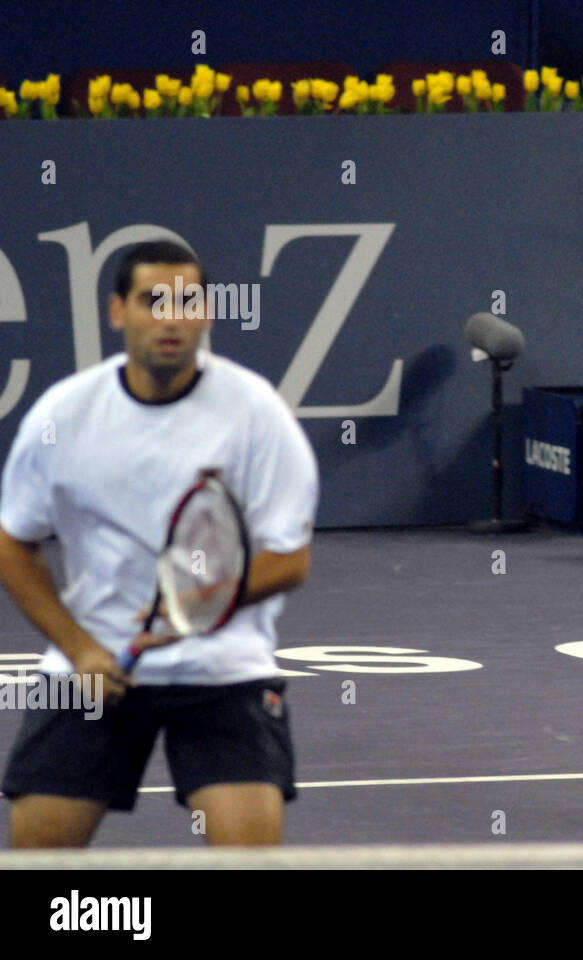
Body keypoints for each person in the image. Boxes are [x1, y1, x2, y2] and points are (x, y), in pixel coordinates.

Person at [0, 241, 319, 846]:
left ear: (206, 313)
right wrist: (81, 649)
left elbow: (289, 559)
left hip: (224, 673)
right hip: (93, 669)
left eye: (187, 301)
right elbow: (12, 542)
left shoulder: (256, 413)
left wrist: (195, 606)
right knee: (36, 873)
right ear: (117, 312)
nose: (171, 318)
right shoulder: (63, 415)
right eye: (153, 301)